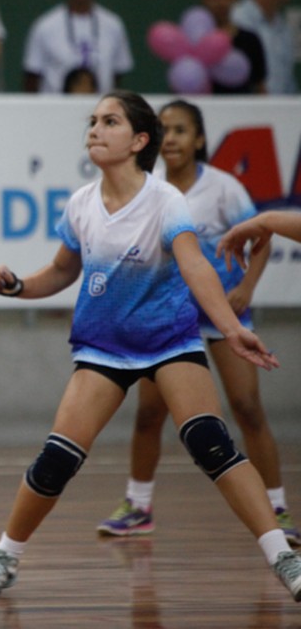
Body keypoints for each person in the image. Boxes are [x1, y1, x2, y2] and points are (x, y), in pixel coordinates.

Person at [0, 90, 300, 602]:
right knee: (57, 458)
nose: (95, 129)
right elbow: (60, 271)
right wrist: (17, 287)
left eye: (110, 121)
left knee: (212, 444)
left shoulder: (165, 200)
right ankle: (5, 553)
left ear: (139, 140)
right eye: (93, 121)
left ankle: (285, 558)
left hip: (169, 341)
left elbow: (194, 265)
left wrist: (231, 328)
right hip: (102, 349)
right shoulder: (81, 204)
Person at [96, 100, 297, 546]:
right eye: (164, 129)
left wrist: (246, 288)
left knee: (246, 409)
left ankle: (277, 508)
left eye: (181, 130)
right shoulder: (147, 189)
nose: (171, 138)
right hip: (169, 320)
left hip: (224, 312)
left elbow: (260, 238)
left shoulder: (224, 189)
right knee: (150, 413)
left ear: (199, 140)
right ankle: (138, 505)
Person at [23, 0, 133, 95]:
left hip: (100, 110)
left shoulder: (114, 25)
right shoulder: (45, 26)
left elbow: (117, 76)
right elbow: (32, 78)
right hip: (55, 110)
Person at [232, 0, 296, 95]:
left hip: (282, 110)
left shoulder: (283, 26)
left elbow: (287, 77)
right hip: (249, 109)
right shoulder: (237, 18)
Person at [200, 0, 267, 95]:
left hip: (242, 111)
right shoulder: (194, 39)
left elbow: (260, 86)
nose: (221, 3)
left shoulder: (250, 39)